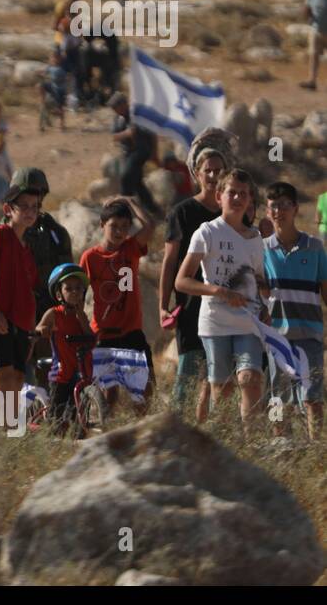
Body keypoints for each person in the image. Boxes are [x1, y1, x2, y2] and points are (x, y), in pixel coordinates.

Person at [175, 169, 269, 429]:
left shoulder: (256, 239)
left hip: (248, 322)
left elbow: (258, 280)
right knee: (223, 389)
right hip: (215, 322)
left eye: (243, 193)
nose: (237, 198)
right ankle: (227, 443)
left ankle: (252, 444)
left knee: (250, 379)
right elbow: (182, 281)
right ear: (220, 196)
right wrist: (218, 291)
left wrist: (266, 305)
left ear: (250, 200)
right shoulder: (207, 232)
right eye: (232, 192)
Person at [158, 147, 225, 417]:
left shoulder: (232, 213)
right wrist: (163, 305)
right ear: (197, 175)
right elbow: (169, 262)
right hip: (190, 306)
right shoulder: (182, 213)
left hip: (224, 308)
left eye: (218, 170)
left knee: (217, 378)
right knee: (188, 372)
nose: (212, 175)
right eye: (207, 170)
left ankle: (209, 435)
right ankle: (176, 432)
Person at [262, 182, 327, 439]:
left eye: (285, 205)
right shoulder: (262, 249)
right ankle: (281, 446)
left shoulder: (314, 248)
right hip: (277, 336)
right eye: (273, 206)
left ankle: (316, 449)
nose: (279, 211)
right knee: (278, 398)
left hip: (310, 333)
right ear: (268, 212)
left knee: (313, 397)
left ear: (296, 208)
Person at [80, 197, 157, 404]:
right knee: (109, 394)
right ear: (102, 225)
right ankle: (109, 429)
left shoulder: (130, 249)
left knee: (146, 388)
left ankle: (140, 429)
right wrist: (81, 326)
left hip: (131, 330)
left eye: (125, 227)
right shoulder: (90, 257)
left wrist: (131, 201)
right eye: (113, 226)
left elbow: (150, 225)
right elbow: (78, 292)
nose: (119, 231)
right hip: (104, 334)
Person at [0, 184, 42, 423]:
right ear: (7, 209)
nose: (30, 211)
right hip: (0, 316)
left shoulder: (27, 248)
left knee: (18, 376)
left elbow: (28, 291)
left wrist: (32, 330)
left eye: (34, 207)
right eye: (23, 206)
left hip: (23, 321)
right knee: (3, 374)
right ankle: (3, 427)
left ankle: (11, 425)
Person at [9, 167, 73, 382]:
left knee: (50, 363)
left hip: (47, 306)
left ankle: (49, 411)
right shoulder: (3, 232)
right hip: (14, 307)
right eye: (25, 196)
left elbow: (67, 273)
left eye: (37, 194)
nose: (32, 200)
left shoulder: (54, 232)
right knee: (16, 365)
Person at [35, 264, 94, 433]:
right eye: (69, 288)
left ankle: (80, 432)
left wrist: (81, 317)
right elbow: (40, 327)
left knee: (79, 416)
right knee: (57, 419)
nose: (75, 292)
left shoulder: (81, 314)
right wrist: (42, 330)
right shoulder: (54, 313)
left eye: (78, 288)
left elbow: (90, 335)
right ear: (59, 294)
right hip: (60, 374)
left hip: (81, 371)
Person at [109, 93, 160, 215]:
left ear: (123, 104)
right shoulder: (118, 119)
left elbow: (152, 134)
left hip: (141, 151)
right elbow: (114, 137)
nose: (115, 110)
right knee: (137, 183)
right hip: (127, 152)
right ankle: (153, 209)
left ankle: (123, 208)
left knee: (125, 178)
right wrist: (127, 133)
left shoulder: (138, 116)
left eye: (116, 107)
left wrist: (154, 153)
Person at [299, 0, 327, 90]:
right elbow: (307, 9)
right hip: (316, 30)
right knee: (314, 55)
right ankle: (312, 81)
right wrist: (306, 13)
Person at [39, 49, 67, 132]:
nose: (53, 60)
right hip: (52, 86)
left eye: (55, 58)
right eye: (52, 58)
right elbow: (45, 72)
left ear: (59, 59)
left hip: (59, 89)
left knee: (60, 107)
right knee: (41, 85)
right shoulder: (50, 67)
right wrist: (40, 73)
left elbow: (60, 79)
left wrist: (48, 77)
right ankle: (42, 98)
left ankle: (62, 124)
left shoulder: (61, 69)